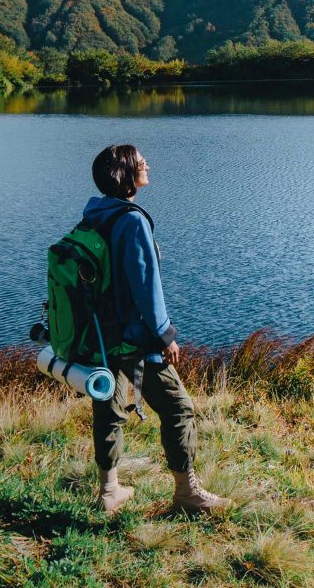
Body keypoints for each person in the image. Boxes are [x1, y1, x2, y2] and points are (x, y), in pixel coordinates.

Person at [81, 143, 230, 514]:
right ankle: (187, 494)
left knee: (108, 410)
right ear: (125, 173)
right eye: (140, 161)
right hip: (134, 338)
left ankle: (108, 492)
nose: (146, 164)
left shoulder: (95, 213)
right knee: (179, 409)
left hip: (102, 334)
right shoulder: (132, 221)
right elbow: (146, 285)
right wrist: (165, 334)